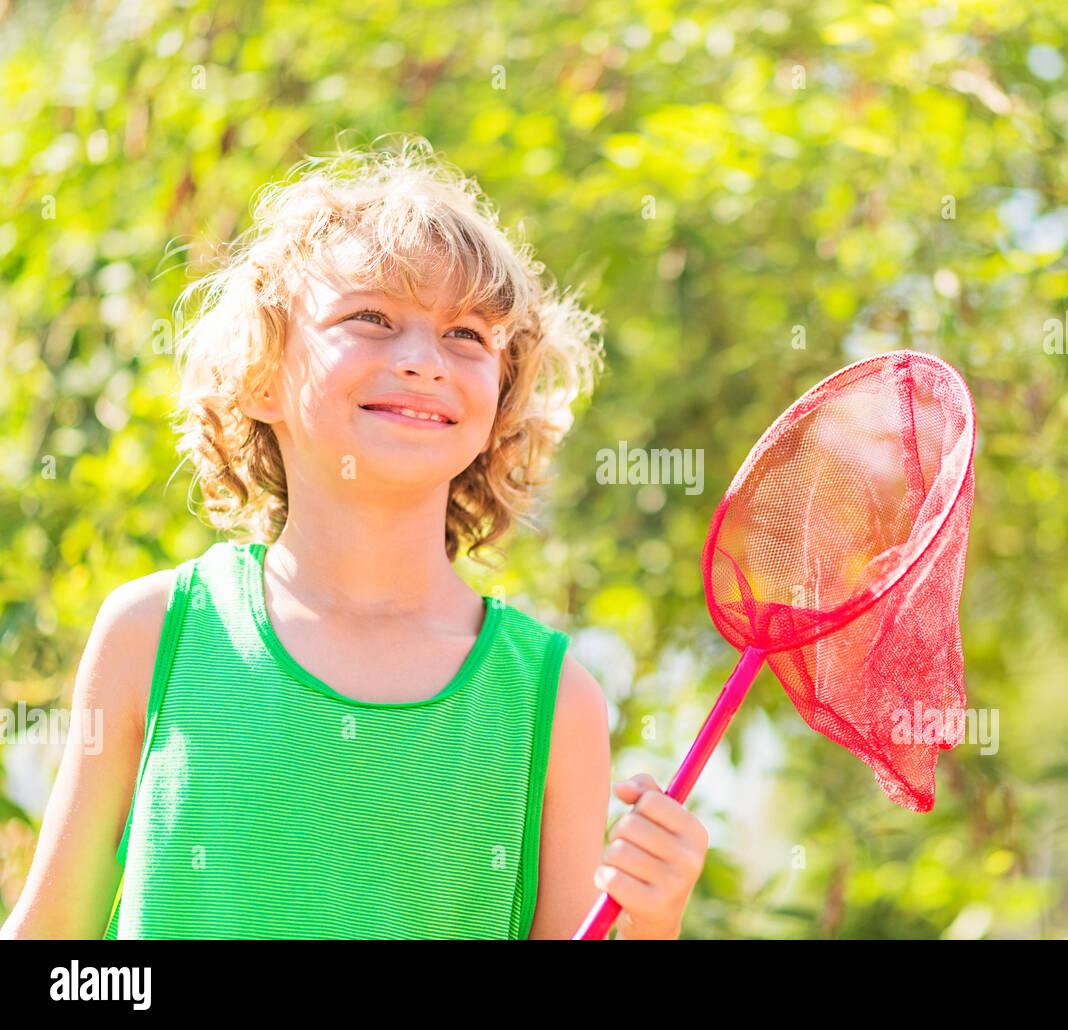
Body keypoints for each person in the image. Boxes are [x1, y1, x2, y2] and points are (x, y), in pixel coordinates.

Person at [1, 135, 708, 941]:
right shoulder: (154, 635)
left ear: (499, 405)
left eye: (467, 336)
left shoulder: (556, 703)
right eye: (371, 318)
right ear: (262, 376)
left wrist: (651, 925)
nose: (424, 361)